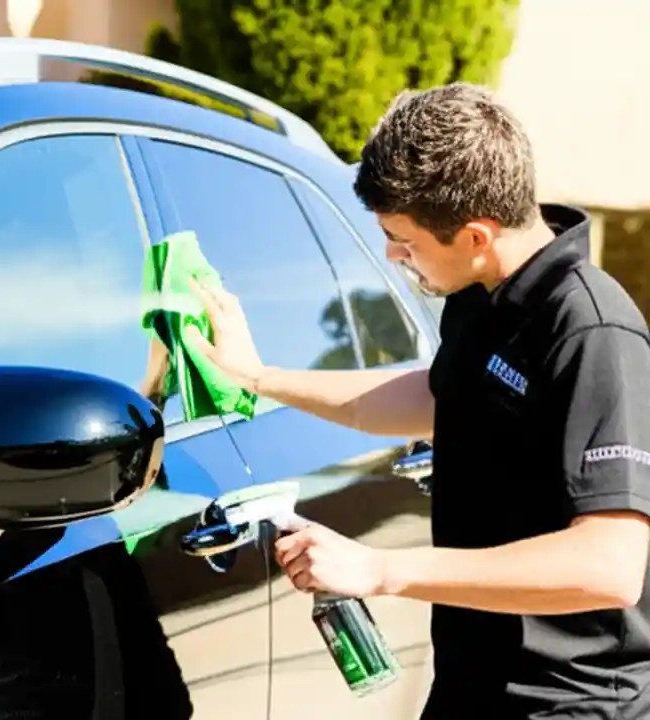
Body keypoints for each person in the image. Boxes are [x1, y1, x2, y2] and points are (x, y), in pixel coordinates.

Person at [186, 82, 650, 717]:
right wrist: (259, 377)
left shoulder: (592, 331)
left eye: (403, 240)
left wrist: (381, 570)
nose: (392, 254)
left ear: (476, 235)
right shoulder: (479, 295)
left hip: (568, 702)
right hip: (469, 682)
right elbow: (430, 400)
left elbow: (610, 567)